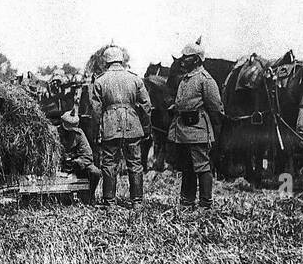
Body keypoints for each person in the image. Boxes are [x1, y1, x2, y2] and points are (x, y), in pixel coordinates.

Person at [90, 45, 152, 208]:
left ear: (106, 62)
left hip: (110, 126)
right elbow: (146, 106)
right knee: (135, 164)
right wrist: (146, 127)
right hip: (133, 125)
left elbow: (96, 110)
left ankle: (109, 202)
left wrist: (97, 131)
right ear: (121, 60)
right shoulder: (135, 79)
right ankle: (137, 201)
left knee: (109, 164)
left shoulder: (100, 80)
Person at [166, 41, 225, 208]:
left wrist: (214, 130)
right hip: (182, 131)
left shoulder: (206, 80)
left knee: (202, 166)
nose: (182, 60)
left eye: (187, 57)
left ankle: (205, 204)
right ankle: (186, 202)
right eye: (183, 57)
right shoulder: (185, 79)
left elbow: (216, 107)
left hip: (198, 130)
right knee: (187, 168)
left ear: (197, 60)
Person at [57, 112, 101, 202]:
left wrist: (77, 162)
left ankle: (87, 198)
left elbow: (88, 156)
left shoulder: (79, 135)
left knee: (95, 172)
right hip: (60, 167)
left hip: (76, 167)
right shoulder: (55, 133)